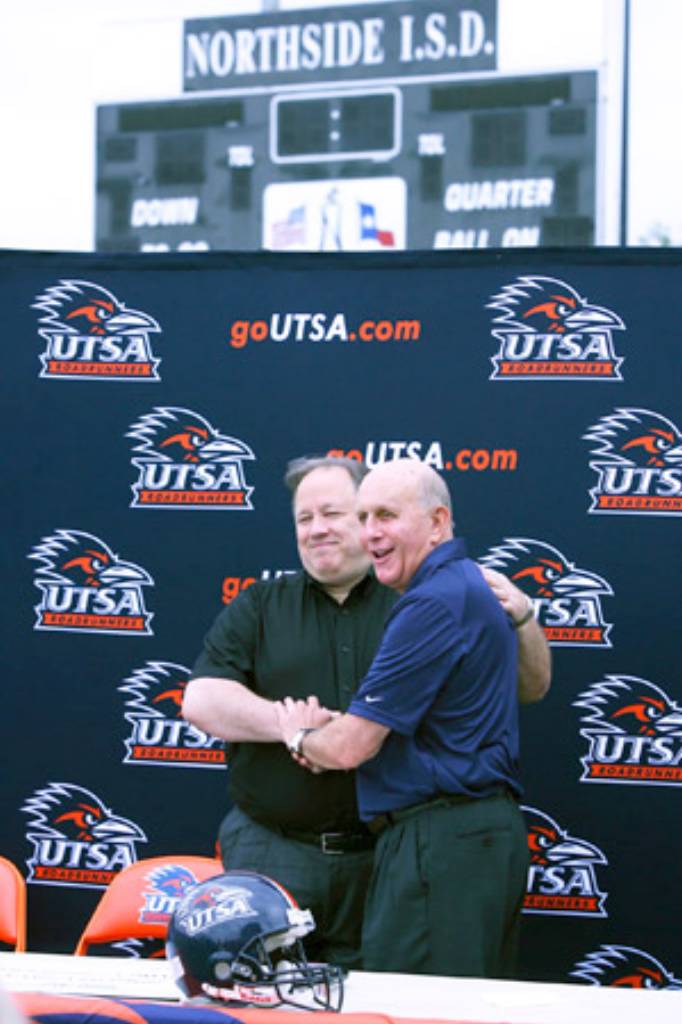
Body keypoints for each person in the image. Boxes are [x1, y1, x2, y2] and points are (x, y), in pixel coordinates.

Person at [183, 455, 550, 971]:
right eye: (304, 518)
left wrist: (526, 618)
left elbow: (529, 688)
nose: (318, 528)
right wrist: (291, 726)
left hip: (383, 854)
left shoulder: (422, 596)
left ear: (433, 523)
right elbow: (200, 700)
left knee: (411, 997)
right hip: (277, 851)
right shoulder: (261, 604)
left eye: (337, 513)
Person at [276, 458, 531, 979]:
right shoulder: (465, 586)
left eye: (387, 515)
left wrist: (299, 735)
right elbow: (536, 684)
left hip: (440, 846)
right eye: (363, 517)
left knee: (420, 1007)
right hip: (470, 842)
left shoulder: (432, 603)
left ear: (437, 522)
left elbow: (352, 746)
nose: (370, 532)